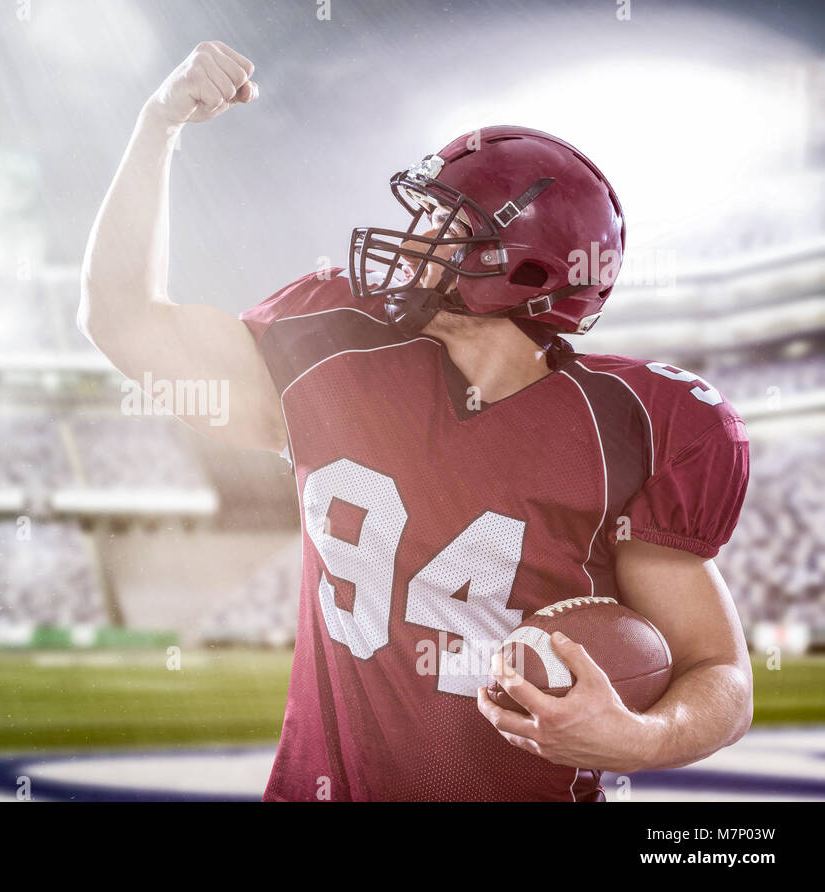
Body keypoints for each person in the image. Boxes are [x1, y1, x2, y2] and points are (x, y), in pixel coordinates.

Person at [78, 41, 753, 801]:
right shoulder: (329, 347)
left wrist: (641, 736)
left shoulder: (633, 427)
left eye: (444, 222)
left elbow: (717, 671)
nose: (412, 242)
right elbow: (121, 318)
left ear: (523, 269)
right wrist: (158, 124)